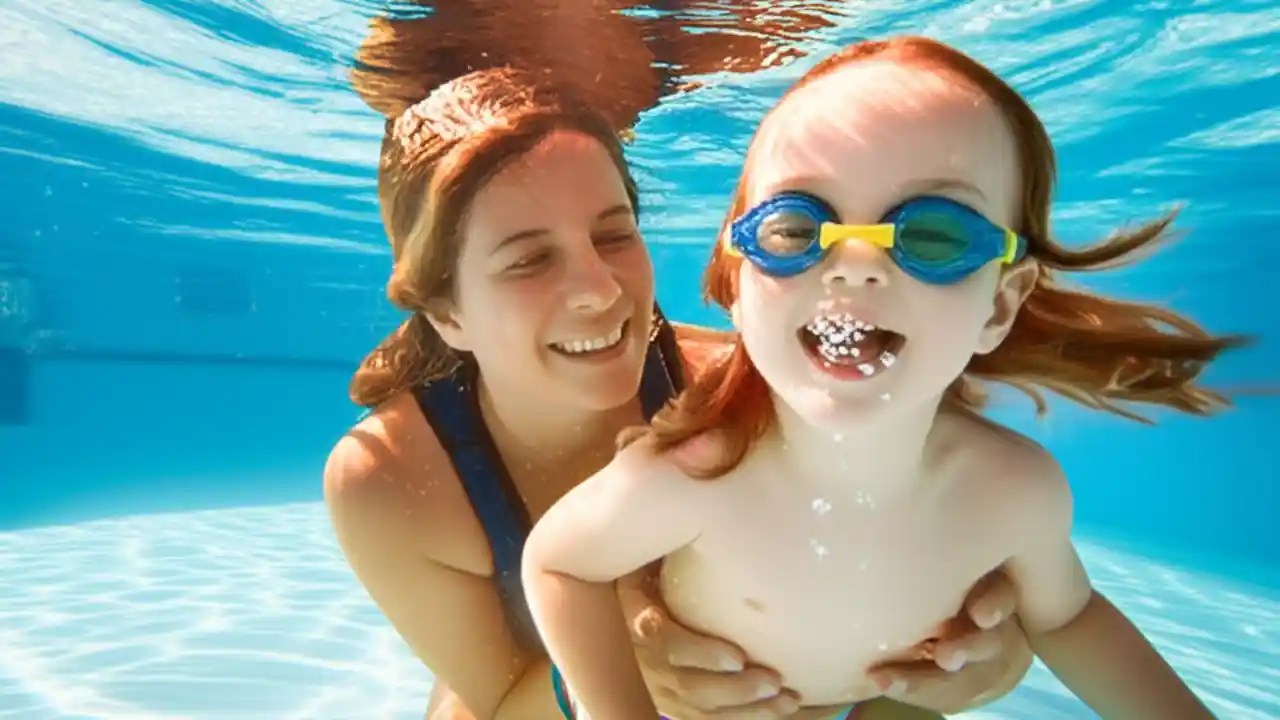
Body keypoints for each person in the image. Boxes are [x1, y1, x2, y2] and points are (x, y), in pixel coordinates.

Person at [521, 36, 1247, 720]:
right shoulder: (695, 475)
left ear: (1000, 303)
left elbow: (1071, 617)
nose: (857, 263)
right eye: (796, 230)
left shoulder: (1012, 491)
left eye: (932, 235)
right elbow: (559, 567)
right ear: (737, 282)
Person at [324, 65, 1037, 719]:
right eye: (530, 260)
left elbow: (976, 563)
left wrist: (998, 655)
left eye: (614, 236)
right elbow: (500, 701)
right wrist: (617, 664)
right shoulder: (391, 479)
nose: (600, 292)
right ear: (446, 312)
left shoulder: (759, 385)